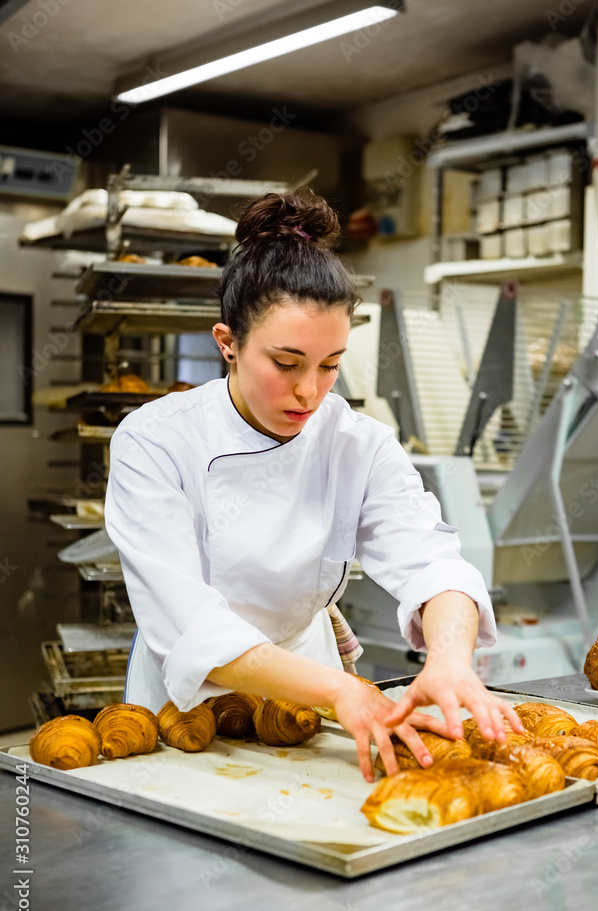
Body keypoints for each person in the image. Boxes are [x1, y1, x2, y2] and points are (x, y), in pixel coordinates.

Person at [105, 189, 522, 783]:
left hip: (308, 691)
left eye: (330, 365)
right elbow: (189, 624)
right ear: (227, 342)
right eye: (286, 363)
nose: (310, 392)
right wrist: (341, 691)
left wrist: (450, 661)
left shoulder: (357, 442)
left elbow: (432, 563)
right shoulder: (155, 440)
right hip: (187, 704)